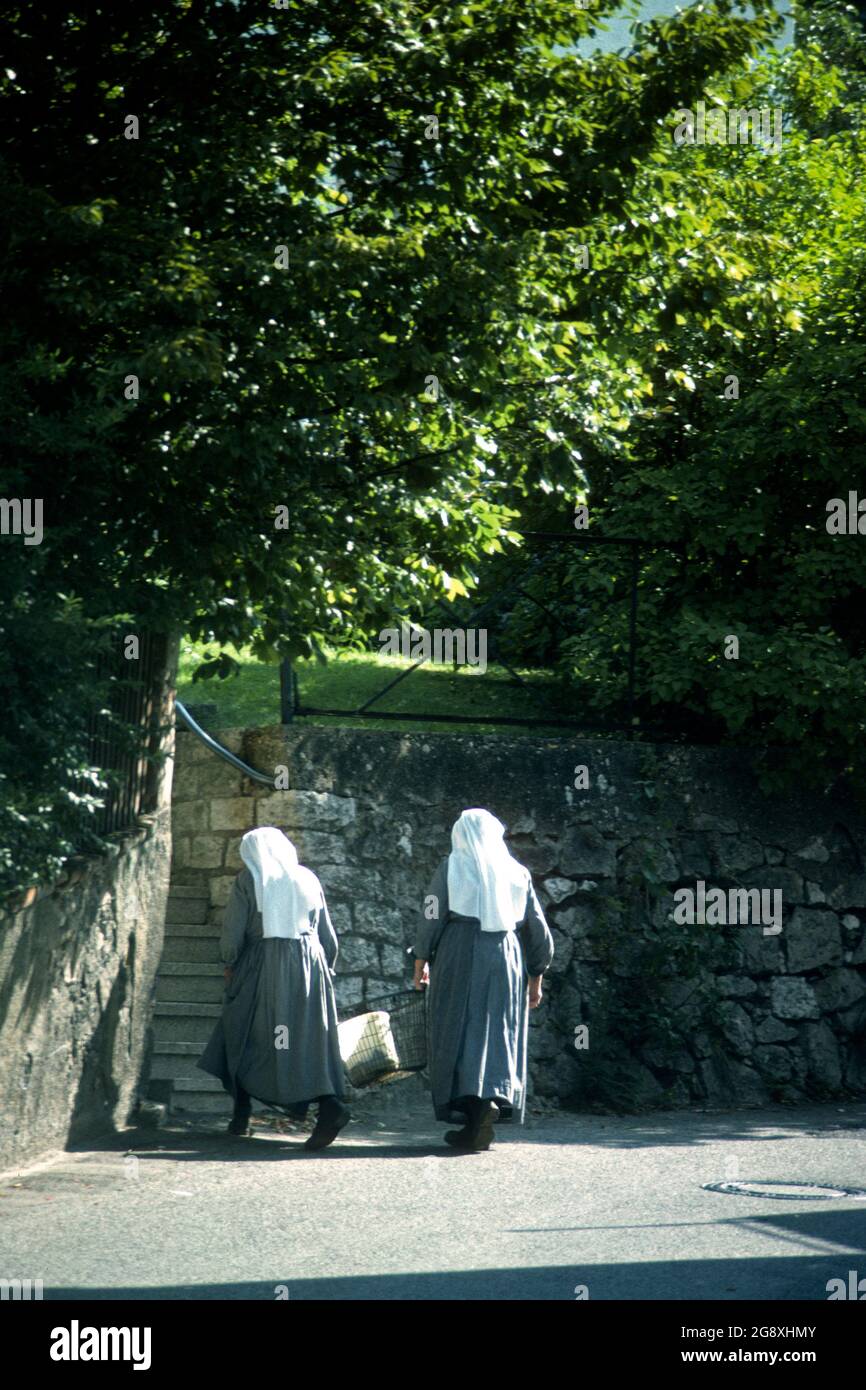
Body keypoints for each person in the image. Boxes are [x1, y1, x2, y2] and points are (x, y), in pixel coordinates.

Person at [197, 826, 349, 1151]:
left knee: (244, 1034)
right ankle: (328, 1106)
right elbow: (328, 934)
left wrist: (229, 962)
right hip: (311, 963)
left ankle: (241, 1112)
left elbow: (233, 933)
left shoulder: (249, 879)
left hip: (263, 965)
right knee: (308, 1040)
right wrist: (326, 967)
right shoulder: (307, 878)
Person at [413, 807, 554, 1153]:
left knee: (458, 1027)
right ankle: (486, 1103)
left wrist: (421, 960)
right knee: (496, 1028)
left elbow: (432, 913)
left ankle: (471, 1109)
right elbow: (536, 928)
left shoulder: (451, 867)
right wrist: (536, 977)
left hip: (458, 952)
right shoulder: (517, 873)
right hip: (506, 953)